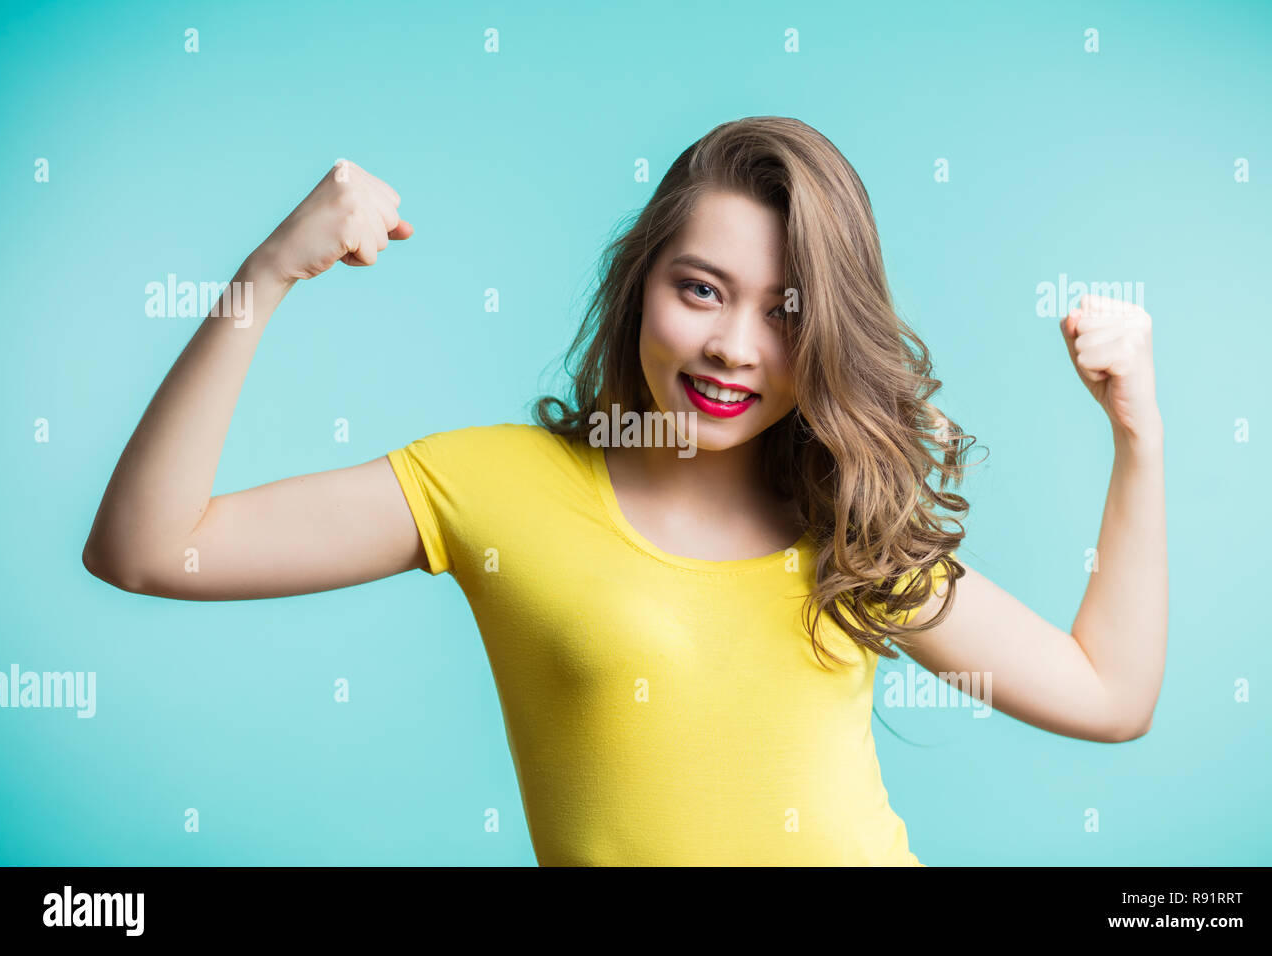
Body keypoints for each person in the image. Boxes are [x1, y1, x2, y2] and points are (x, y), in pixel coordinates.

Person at [82, 116, 1168, 866]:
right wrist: (267, 272)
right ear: (640, 282)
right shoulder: (490, 486)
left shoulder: (849, 529)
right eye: (701, 289)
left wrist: (1137, 434)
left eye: (785, 313)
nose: (735, 347)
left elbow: (1108, 695)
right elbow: (145, 546)